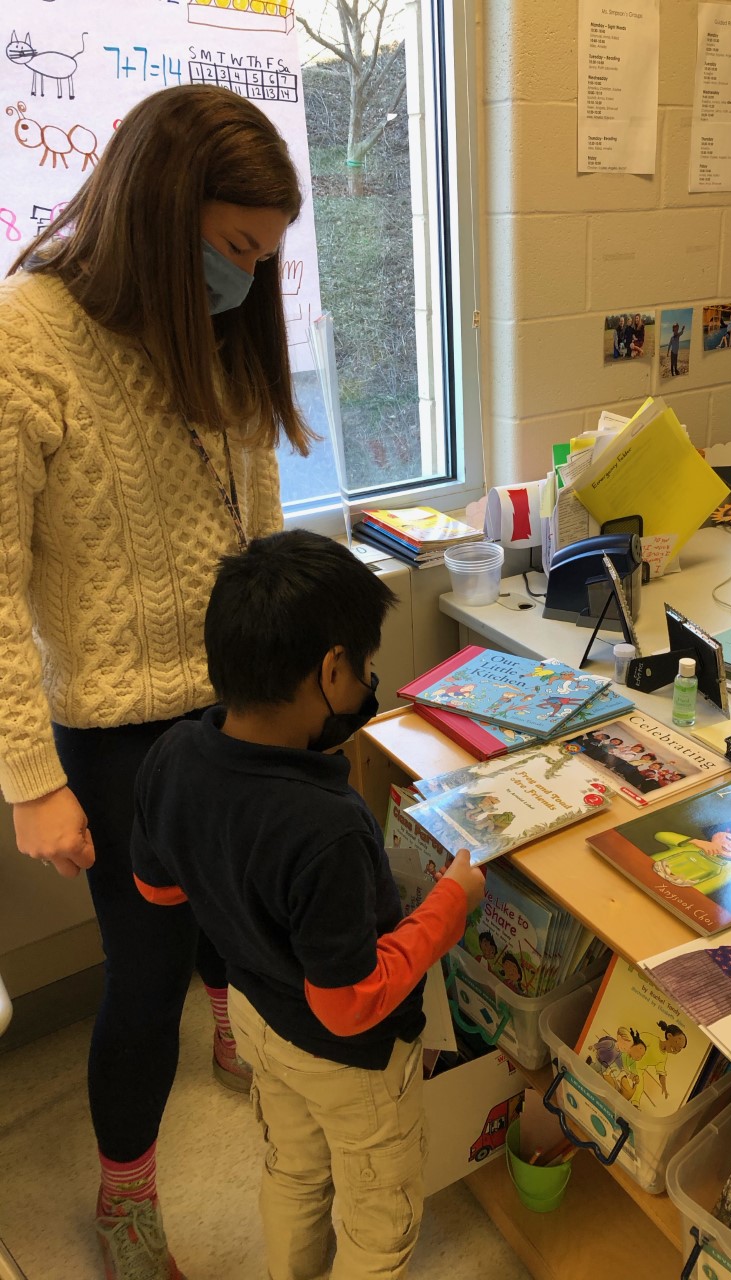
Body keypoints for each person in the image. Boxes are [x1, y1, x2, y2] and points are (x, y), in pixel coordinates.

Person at [0, 84, 313, 1279]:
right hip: (121, 728)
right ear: (158, 214)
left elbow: (259, 516)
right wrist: (32, 777)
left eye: (263, 257)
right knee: (144, 971)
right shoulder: (25, 336)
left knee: (252, 904)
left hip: (236, 694)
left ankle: (234, 1026)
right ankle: (125, 1190)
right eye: (233, 249)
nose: (245, 279)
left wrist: (299, 677)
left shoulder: (219, 328)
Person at [131, 530, 486, 1279]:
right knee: (377, 1216)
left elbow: (158, 887)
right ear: (331, 671)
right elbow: (348, 1003)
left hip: (257, 1019)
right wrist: (448, 907)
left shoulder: (172, 755)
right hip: (350, 1062)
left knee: (293, 1168)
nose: (365, 687)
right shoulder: (326, 825)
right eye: (363, 670)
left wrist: (236, 879)